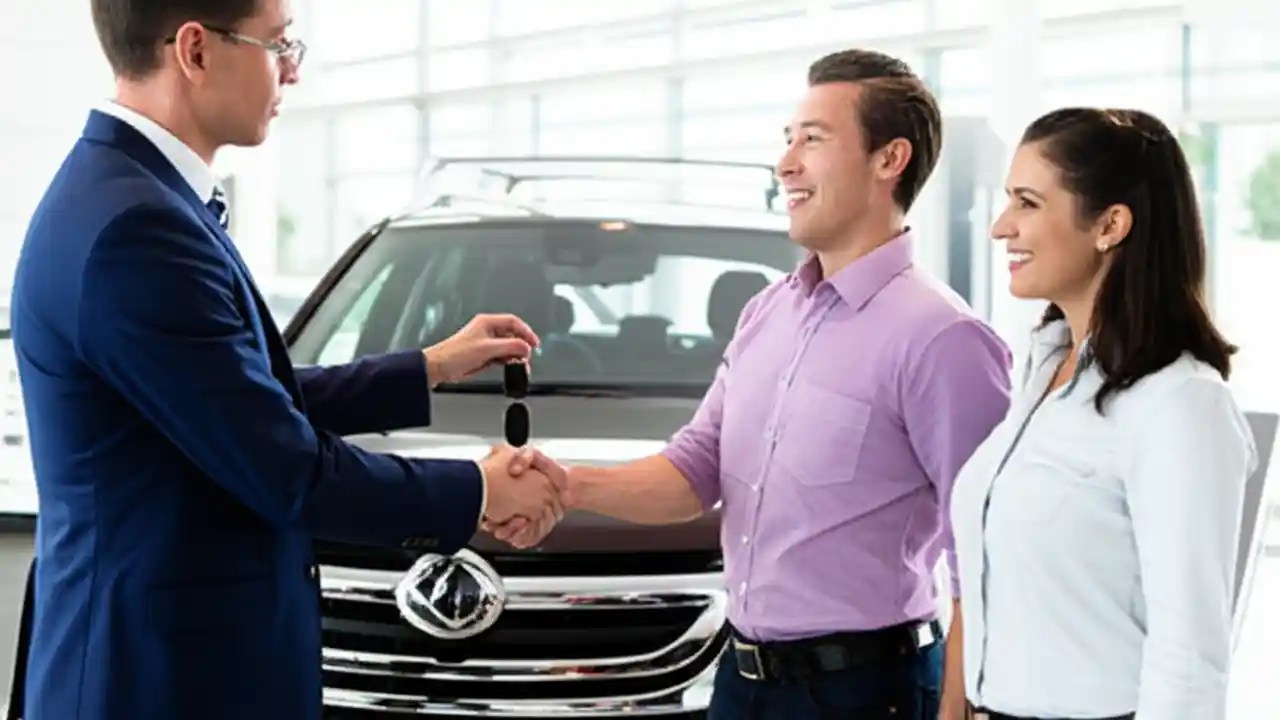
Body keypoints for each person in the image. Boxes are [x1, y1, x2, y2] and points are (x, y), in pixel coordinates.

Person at [6, 1, 563, 718]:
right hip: (157, 677)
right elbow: (284, 469)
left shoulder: (127, 194)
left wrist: (424, 367)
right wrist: (480, 492)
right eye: (277, 44)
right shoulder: (138, 230)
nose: (293, 70)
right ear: (196, 51)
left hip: (163, 655)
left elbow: (226, 400)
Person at [489, 49, 1013, 719]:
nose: (786, 162)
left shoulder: (945, 339)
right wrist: (564, 484)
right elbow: (695, 470)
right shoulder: (767, 314)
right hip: (742, 683)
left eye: (813, 140)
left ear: (890, 160)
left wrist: (959, 706)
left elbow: (986, 551)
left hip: (867, 691)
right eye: (787, 140)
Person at [949, 108, 1258, 720]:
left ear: (1111, 224)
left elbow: (1189, 661)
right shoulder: (1042, 375)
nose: (1000, 226)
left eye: (1027, 203)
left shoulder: (1177, 403)